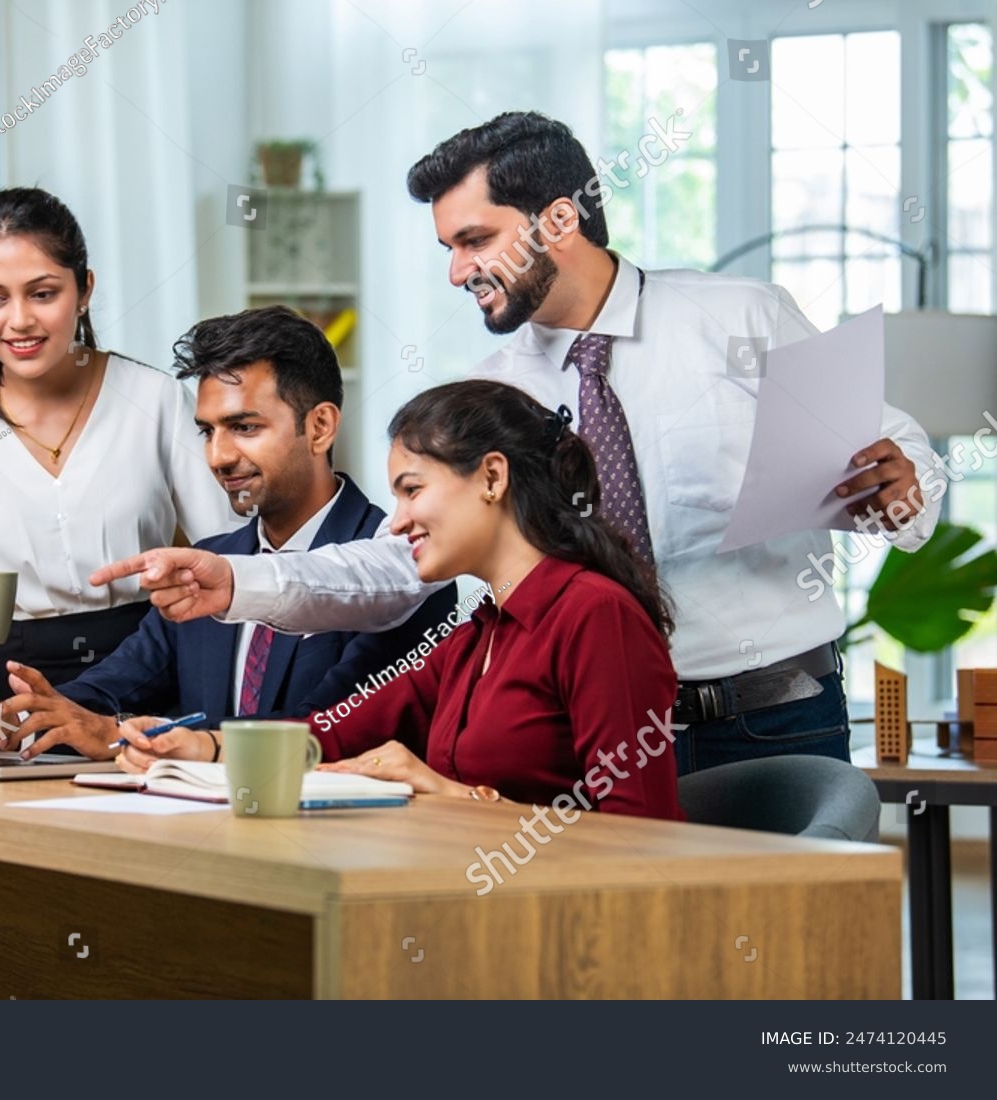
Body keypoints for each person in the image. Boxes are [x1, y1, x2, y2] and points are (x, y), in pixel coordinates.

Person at [93, 112, 943, 776]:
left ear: (559, 218)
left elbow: (900, 463)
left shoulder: (740, 317)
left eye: (475, 240)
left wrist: (900, 489)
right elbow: (398, 564)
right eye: (448, 248)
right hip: (586, 728)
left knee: (791, 965)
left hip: (774, 715)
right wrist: (238, 578)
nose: (458, 271)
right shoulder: (491, 399)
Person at [117, 381, 684, 820]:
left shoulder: (594, 615)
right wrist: (204, 747)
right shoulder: (479, 632)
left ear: (492, 477)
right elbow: (335, 731)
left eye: (412, 490)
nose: (397, 522)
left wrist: (454, 795)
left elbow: (639, 832)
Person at [0, 306, 458, 759]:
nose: (219, 457)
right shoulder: (207, 563)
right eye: (208, 431)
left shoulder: (412, 567)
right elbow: (106, 691)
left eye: (244, 427)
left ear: (320, 427)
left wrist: (122, 737)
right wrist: (11, 719)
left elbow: (323, 730)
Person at [0, 187, 239, 704]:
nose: (19, 320)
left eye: (43, 294)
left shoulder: (153, 401)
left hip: (146, 672)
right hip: (6, 689)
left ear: (83, 289)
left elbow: (228, 551)